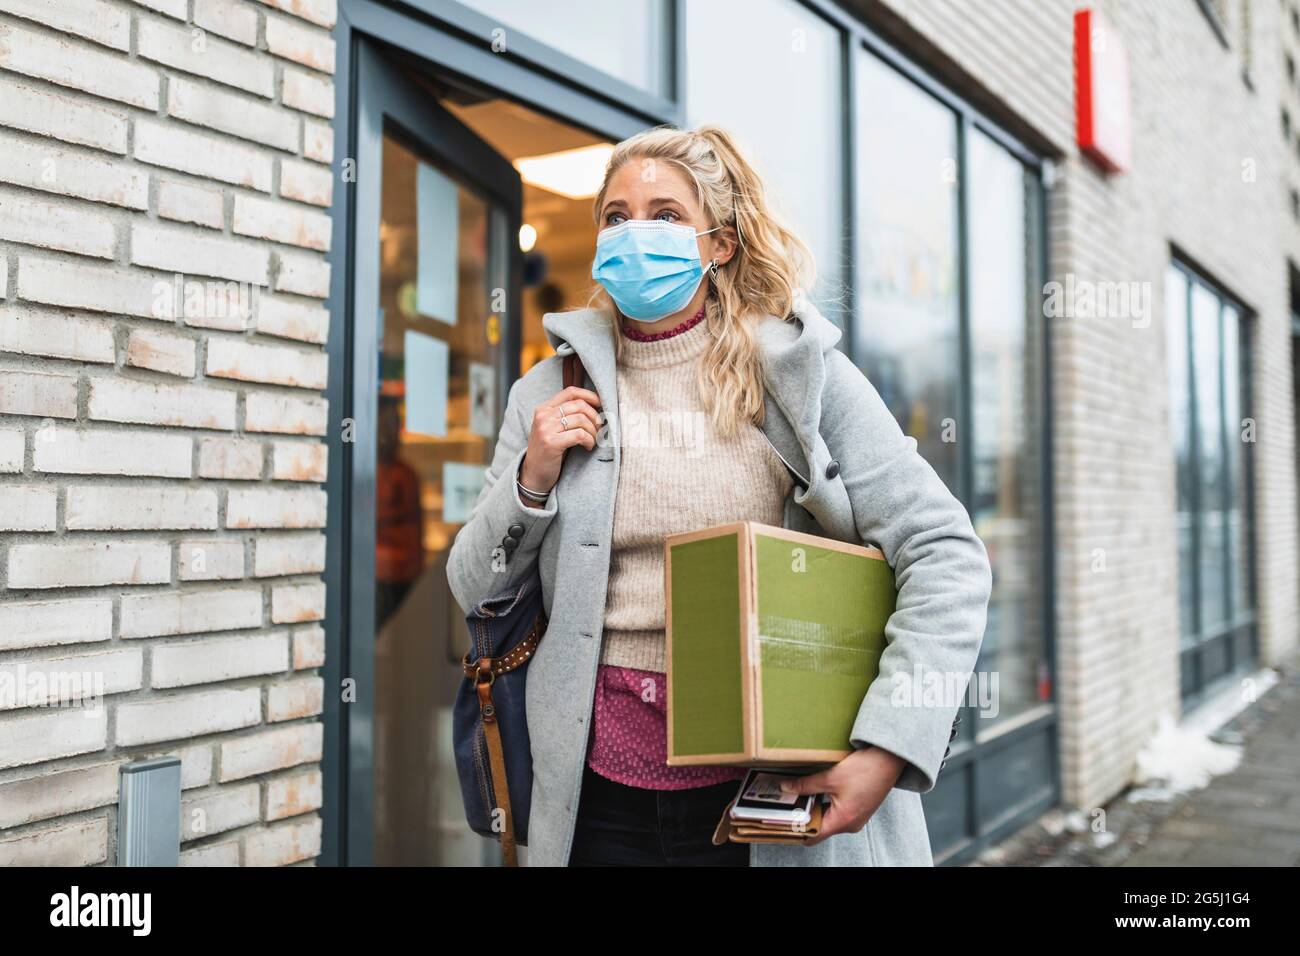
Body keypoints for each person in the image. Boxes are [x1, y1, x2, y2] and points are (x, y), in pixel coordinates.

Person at [446, 125, 992, 867]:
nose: (636, 230)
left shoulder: (801, 379)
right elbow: (474, 585)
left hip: (772, 793)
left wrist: (891, 744)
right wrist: (530, 479)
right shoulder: (548, 390)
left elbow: (946, 553)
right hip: (595, 801)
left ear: (720, 243)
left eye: (666, 215)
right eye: (617, 215)